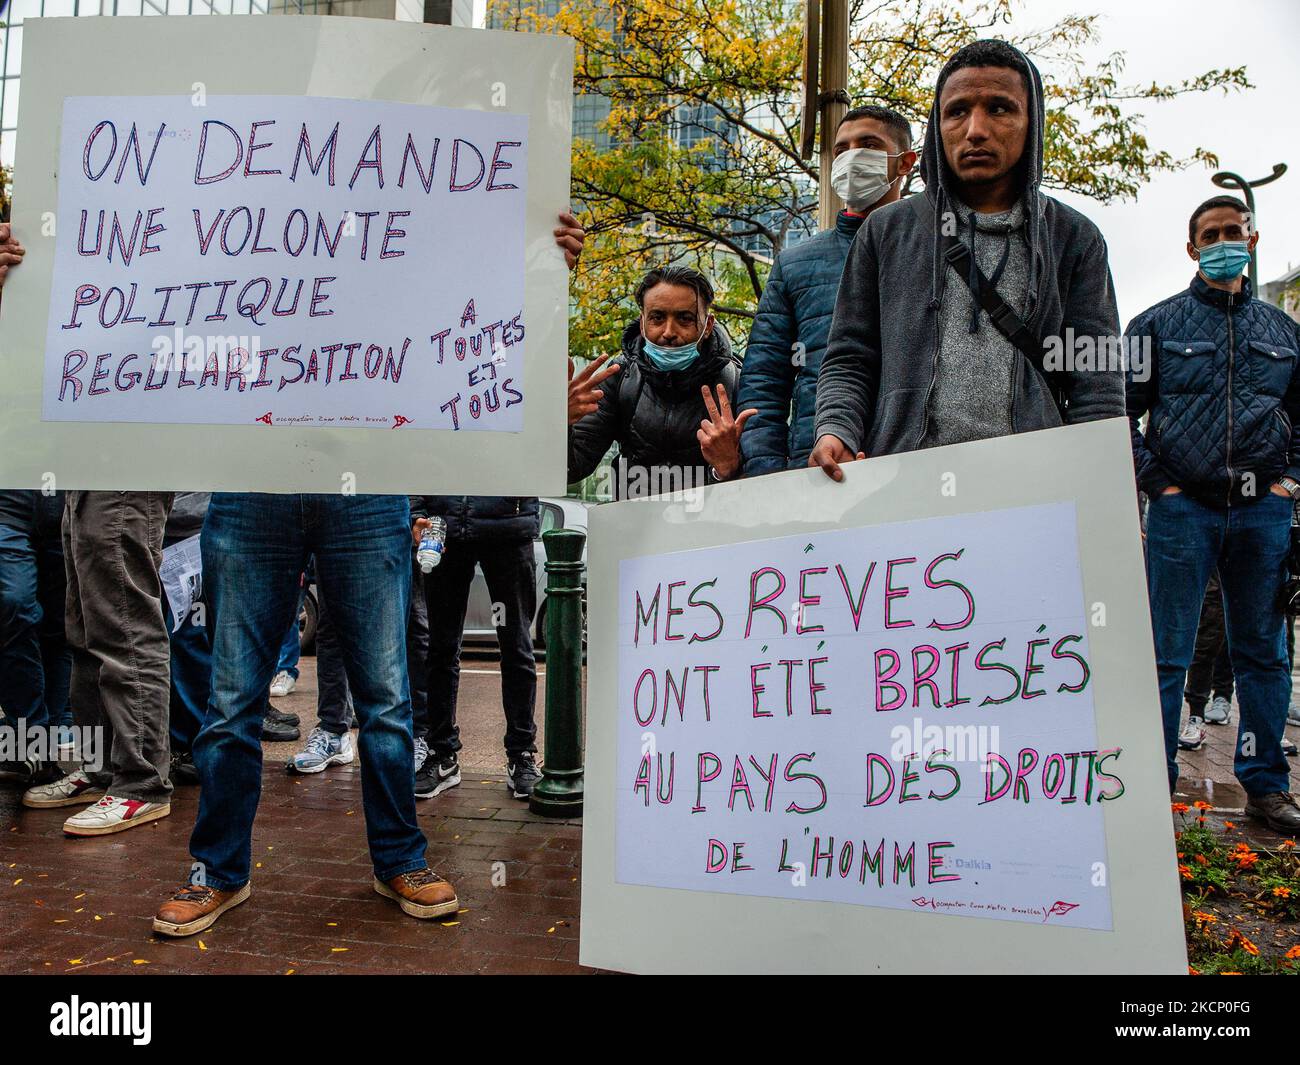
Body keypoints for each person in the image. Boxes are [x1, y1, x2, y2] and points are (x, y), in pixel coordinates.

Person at [151, 212, 585, 936]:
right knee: (231, 701)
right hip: (254, 481)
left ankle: (397, 857)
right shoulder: (236, 223)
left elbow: (454, 293)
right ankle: (216, 870)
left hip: (365, 482)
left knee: (385, 696)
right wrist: (36, 272)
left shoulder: (387, 229)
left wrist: (539, 263)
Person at [811, 39, 1123, 478]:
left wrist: (1099, 489)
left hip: (1034, 486)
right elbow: (850, 357)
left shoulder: (1074, 238)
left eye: (999, 108)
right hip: (901, 484)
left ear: (1031, 122)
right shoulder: (886, 232)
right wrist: (835, 430)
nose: (975, 129)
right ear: (937, 126)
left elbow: (1097, 383)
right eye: (957, 111)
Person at [1126, 193, 1300, 833]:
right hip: (1182, 513)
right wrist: (1160, 487)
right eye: (1211, 233)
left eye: (1235, 230)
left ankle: (1265, 787)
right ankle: (1150, 784)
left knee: (1262, 655)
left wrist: (1289, 485)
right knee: (1164, 655)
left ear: (1252, 240)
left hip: (1264, 515)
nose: (1224, 240)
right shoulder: (1154, 326)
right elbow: (1119, 414)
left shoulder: (1285, 334)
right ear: (1191, 246)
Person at [738, 105, 916, 475]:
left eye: (868, 145)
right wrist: (768, 477)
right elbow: (764, 384)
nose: (852, 158)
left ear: (905, 162)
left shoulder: (933, 252)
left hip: (910, 463)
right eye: (841, 149)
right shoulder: (794, 265)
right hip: (816, 469)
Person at [25, 492, 177, 834]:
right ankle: (102, 770)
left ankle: (141, 783)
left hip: (123, 481)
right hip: (86, 481)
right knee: (85, 636)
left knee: (126, 631)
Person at [567, 264, 753, 496]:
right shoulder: (619, 376)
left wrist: (728, 468)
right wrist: (562, 423)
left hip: (710, 527)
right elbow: (571, 470)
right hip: (636, 526)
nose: (668, 332)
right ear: (643, 322)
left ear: (708, 326)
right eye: (657, 317)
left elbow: (765, 480)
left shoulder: (739, 382)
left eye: (685, 319)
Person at [410, 496, 540, 800]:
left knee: (517, 647)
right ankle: (442, 753)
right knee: (441, 649)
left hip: (507, 528)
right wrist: (416, 512)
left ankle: (521, 753)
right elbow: (418, 451)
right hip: (445, 528)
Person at [0, 489, 70, 786]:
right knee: (13, 605)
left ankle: (40, 751)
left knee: (62, 625)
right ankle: (27, 732)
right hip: (8, 504)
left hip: (68, 504)